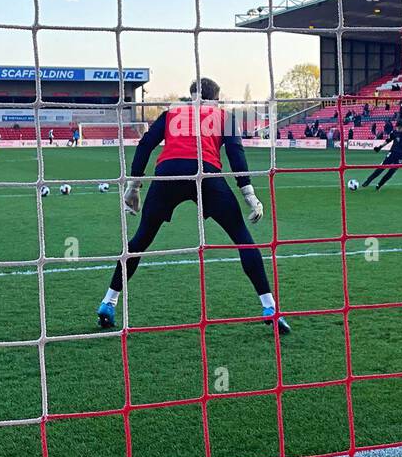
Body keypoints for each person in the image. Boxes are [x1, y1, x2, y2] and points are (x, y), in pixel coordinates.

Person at [95, 77, 289, 335]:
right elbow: (235, 153)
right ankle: (270, 308)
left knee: (140, 240)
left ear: (192, 94)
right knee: (243, 238)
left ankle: (108, 302)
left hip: (169, 173)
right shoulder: (224, 116)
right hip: (206, 175)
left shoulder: (172, 112)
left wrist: (133, 186)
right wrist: (249, 194)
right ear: (216, 98)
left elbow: (145, 144)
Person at [359, 121, 402, 190]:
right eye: (397, 127)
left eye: (399, 127)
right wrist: (380, 147)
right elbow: (388, 140)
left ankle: (379, 185)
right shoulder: (394, 132)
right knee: (381, 167)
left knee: (391, 171)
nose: (398, 128)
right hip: (392, 153)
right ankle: (368, 180)